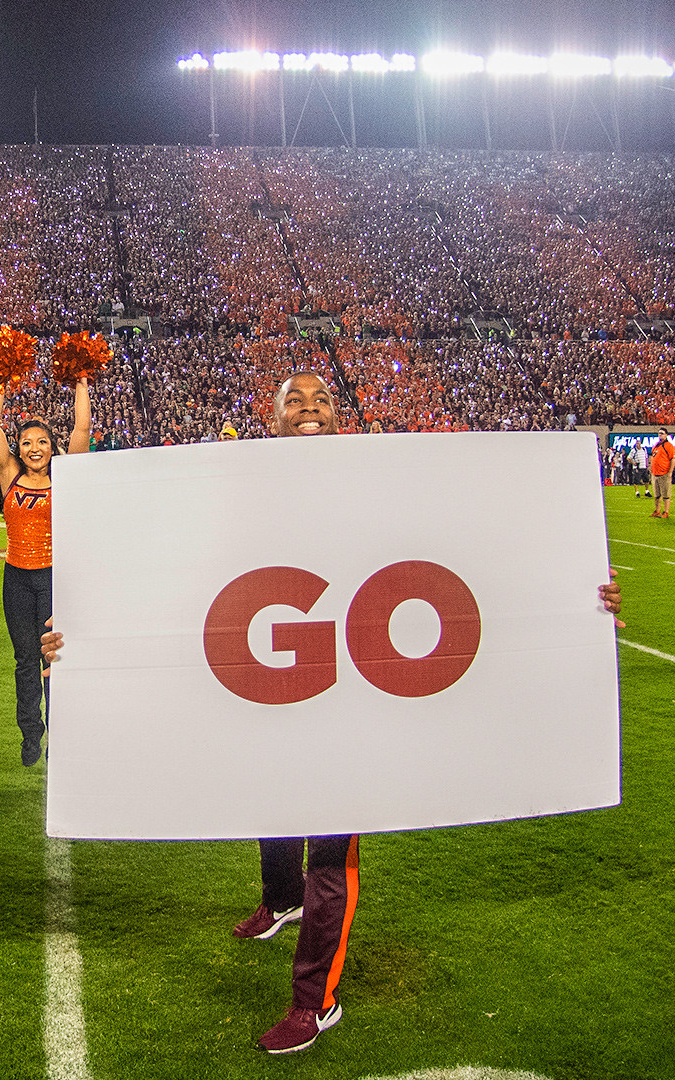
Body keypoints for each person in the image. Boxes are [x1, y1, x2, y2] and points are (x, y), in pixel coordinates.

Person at [40, 371, 623, 1055]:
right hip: (278, 662)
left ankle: (314, 1002)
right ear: (273, 417)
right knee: (274, 796)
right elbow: (179, 565)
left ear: (337, 417)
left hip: (353, 677)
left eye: (321, 401)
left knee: (332, 841)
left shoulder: (369, 484)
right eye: (296, 401)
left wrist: (580, 597)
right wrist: (82, 632)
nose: (310, 409)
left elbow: (461, 543)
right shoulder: (238, 483)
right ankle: (280, 900)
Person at [0, 374, 91, 766]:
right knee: (25, 659)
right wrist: (0, 379)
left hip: (51, 578)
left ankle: (61, 735)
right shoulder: (9, 475)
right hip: (16, 578)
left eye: (42, 441)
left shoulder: (64, 476)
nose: (34, 448)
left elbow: (82, 427)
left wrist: (81, 380)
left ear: (52, 446)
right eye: (26, 442)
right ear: (18, 448)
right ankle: (31, 734)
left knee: (54, 660)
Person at [649, 428, 675, 519]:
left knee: (666, 495)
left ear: (666, 435)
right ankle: (657, 510)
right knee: (657, 495)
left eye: (662, 433)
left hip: (664, 473)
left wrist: (670, 472)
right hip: (655, 473)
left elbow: (673, 459)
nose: (660, 435)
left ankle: (666, 511)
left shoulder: (668, 446)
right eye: (659, 433)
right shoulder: (656, 446)